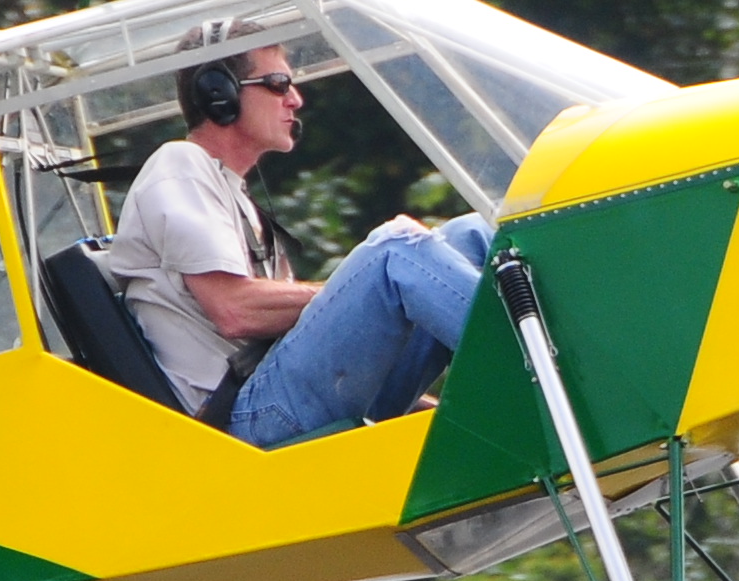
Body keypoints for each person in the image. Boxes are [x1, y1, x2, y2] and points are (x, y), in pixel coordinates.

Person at [102, 41, 494, 447]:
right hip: (245, 422)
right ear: (219, 94)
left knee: (470, 234)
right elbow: (234, 310)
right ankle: (553, 368)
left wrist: (437, 413)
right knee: (394, 251)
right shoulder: (179, 166)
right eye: (277, 83)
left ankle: (531, 379)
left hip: (281, 396)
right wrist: (357, 294)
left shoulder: (232, 193)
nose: (295, 99)